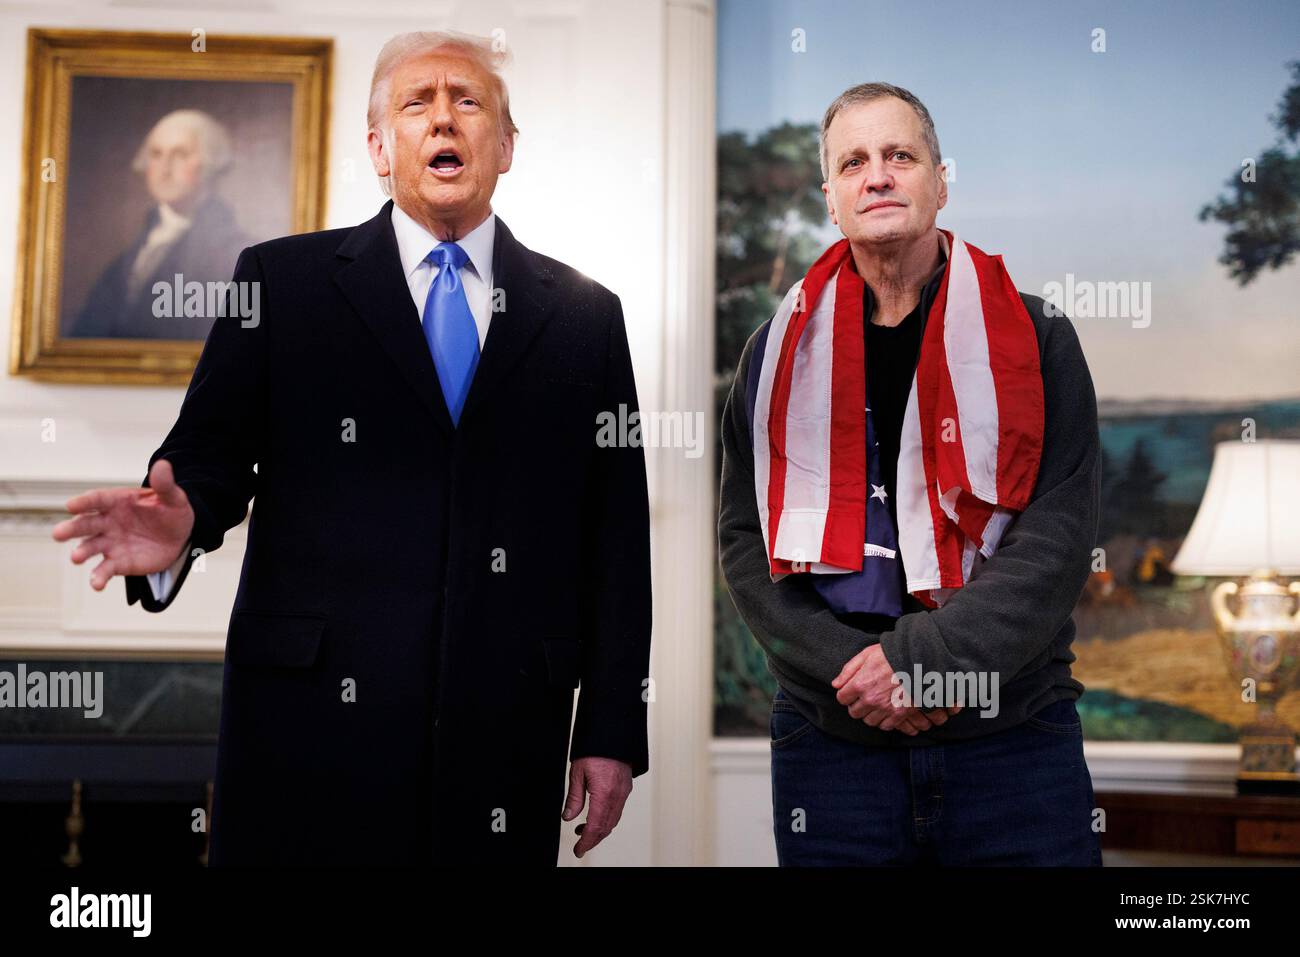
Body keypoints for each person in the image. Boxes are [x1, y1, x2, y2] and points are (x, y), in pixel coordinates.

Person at [52, 30, 652, 866]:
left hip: (502, 732)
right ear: (379, 146)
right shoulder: (280, 283)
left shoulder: (588, 315)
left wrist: (614, 725)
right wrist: (182, 514)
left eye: (468, 101)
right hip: (306, 731)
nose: (444, 118)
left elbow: (617, 540)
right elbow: (212, 454)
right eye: (417, 103)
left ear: (506, 146)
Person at [718, 82, 1103, 866]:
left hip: (1012, 741)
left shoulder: (1037, 334)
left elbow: (1055, 540)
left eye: (901, 155)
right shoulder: (772, 351)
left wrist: (921, 667)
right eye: (853, 162)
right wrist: (861, 676)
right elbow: (744, 545)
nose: (879, 176)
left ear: (939, 178)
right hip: (831, 744)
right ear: (831, 198)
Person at [66, 109, 251, 340]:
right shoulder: (137, 248)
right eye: (156, 154)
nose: (165, 168)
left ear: (209, 163)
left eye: (180, 154)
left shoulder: (233, 249)